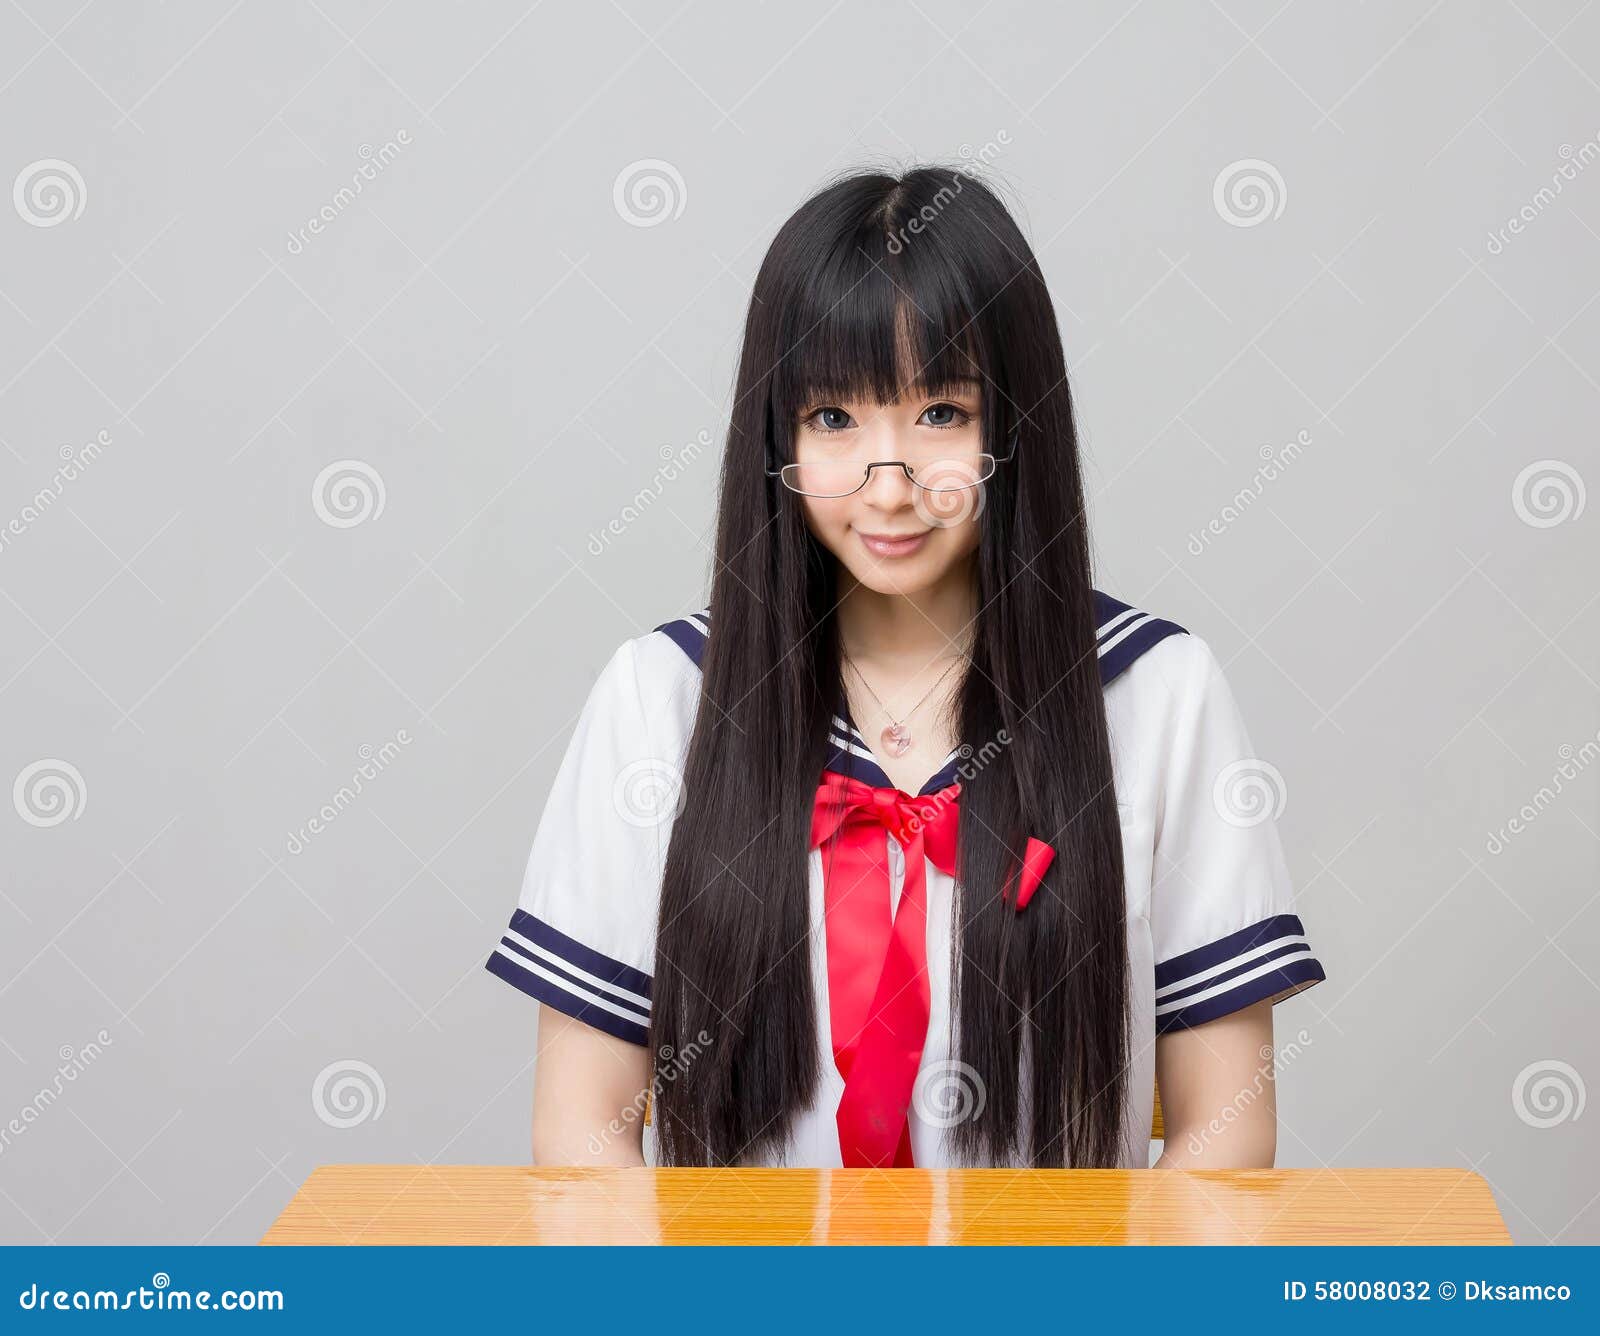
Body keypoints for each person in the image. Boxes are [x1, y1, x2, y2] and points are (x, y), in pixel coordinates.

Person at [486, 165, 1325, 1170]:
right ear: (777, 435)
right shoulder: (663, 697)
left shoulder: (1154, 693)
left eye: (941, 413)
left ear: (1015, 423)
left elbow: (1225, 1134)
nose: (889, 488)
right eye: (833, 419)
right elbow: (581, 1132)